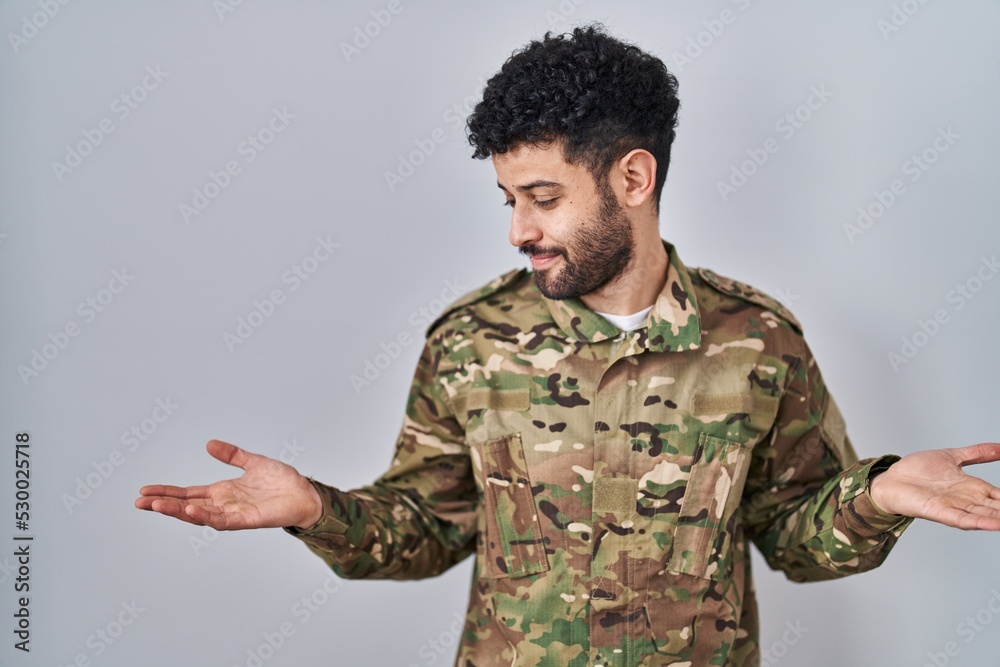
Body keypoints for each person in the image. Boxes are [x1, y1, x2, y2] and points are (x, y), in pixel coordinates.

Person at [135, 25, 1000, 667]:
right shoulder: (472, 343)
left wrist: (880, 493)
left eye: (543, 197)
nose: (518, 229)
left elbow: (795, 538)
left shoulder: (757, 340)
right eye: (508, 199)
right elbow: (429, 530)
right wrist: (317, 509)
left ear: (633, 178)